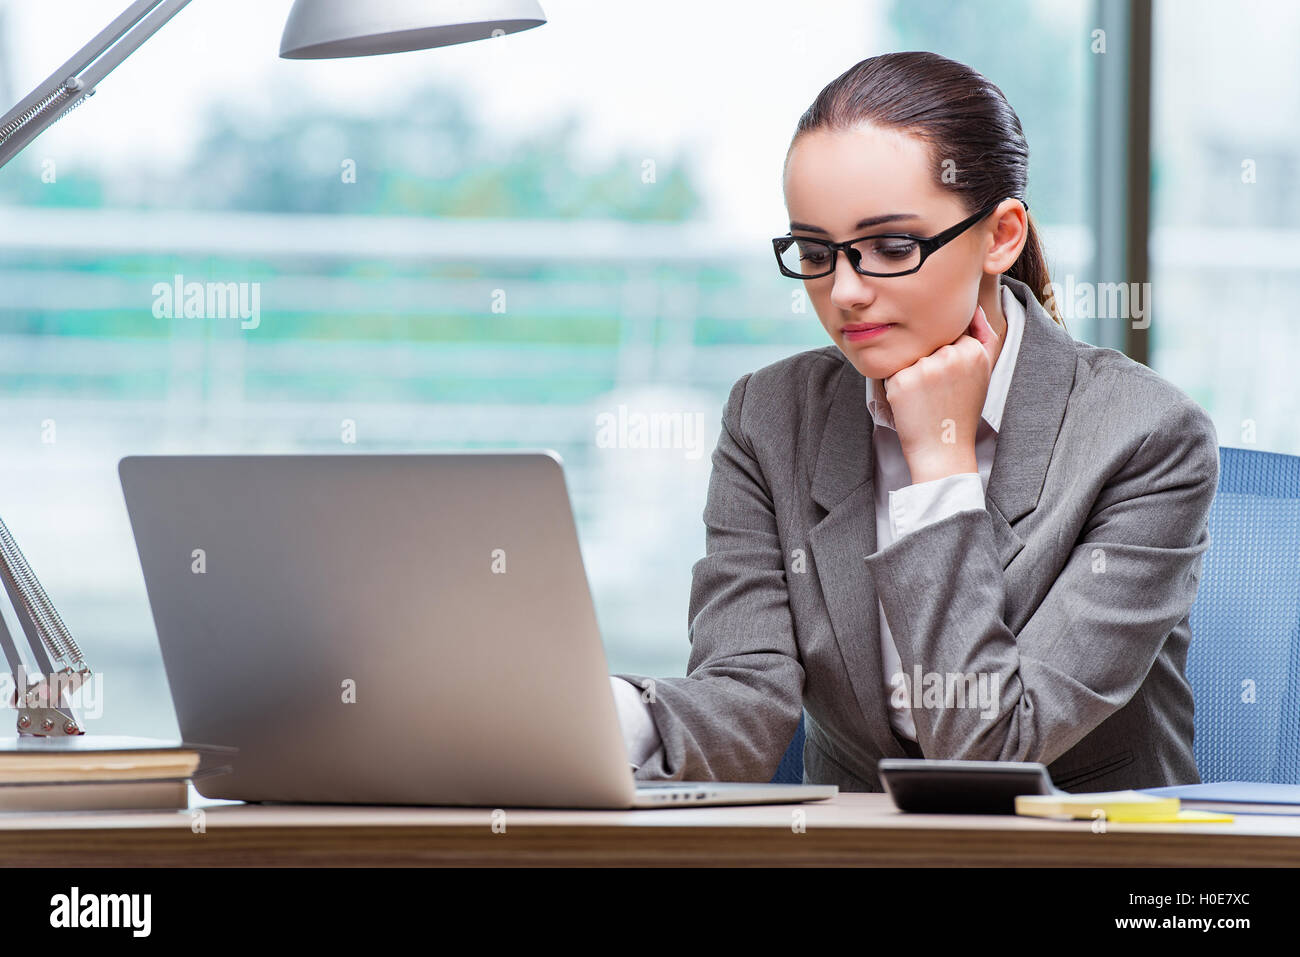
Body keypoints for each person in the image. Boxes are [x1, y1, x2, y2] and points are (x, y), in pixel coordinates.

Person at [609, 51, 1218, 793]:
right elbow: (744, 693)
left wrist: (938, 456)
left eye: (891, 247)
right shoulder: (769, 419)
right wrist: (598, 715)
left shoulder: (1145, 435)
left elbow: (992, 748)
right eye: (814, 250)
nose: (844, 291)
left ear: (1000, 236)